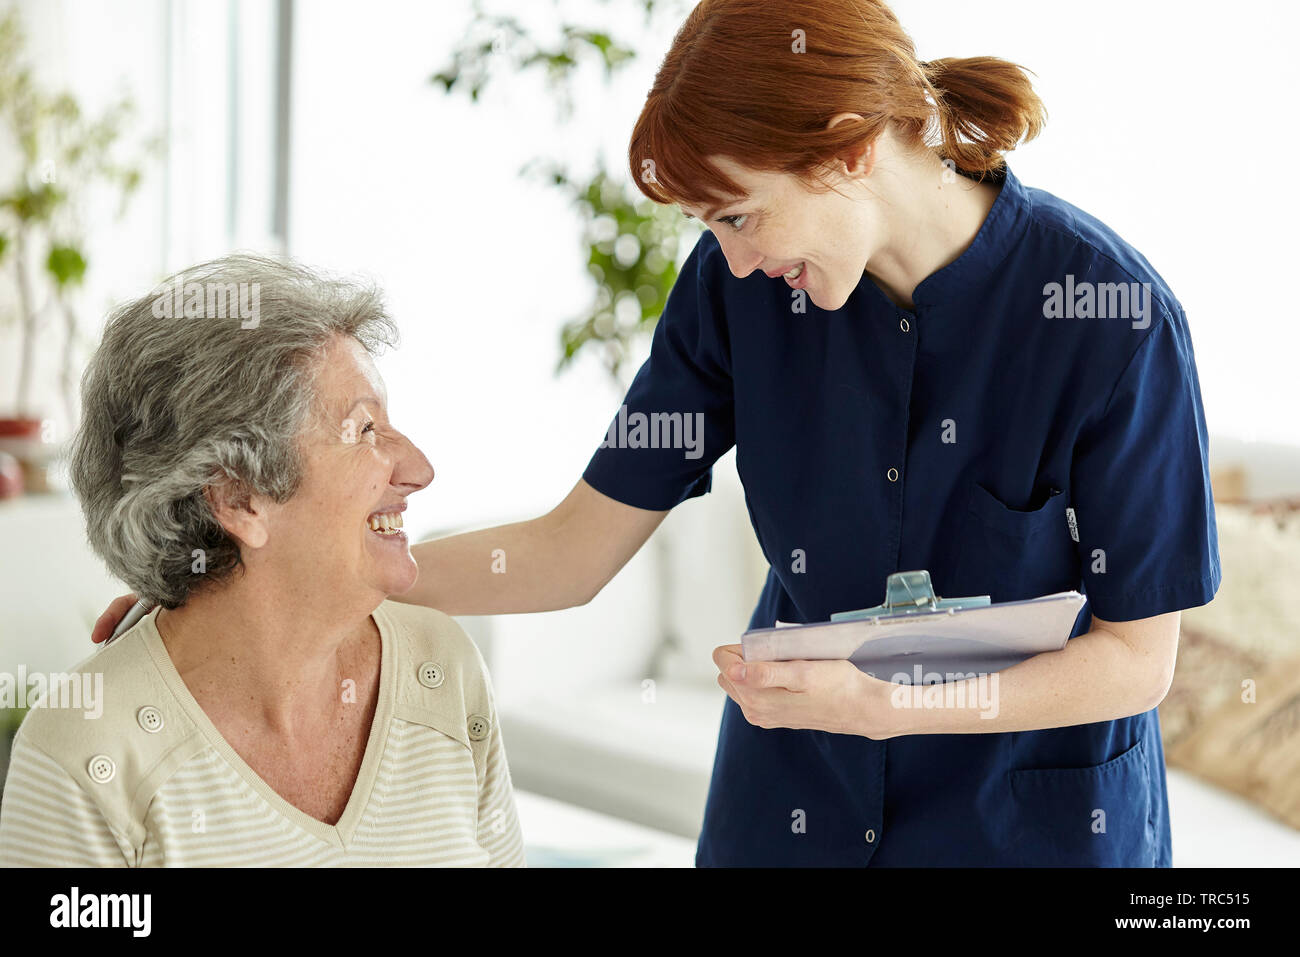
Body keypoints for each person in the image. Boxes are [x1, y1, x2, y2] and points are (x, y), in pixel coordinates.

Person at [93, 0, 1220, 866]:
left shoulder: (1109, 320)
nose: (728, 257)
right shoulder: (741, 293)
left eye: (737, 213)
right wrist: (299, 578)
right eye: (704, 225)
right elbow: (574, 550)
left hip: (1028, 826)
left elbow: (1134, 662)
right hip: (791, 816)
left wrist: (890, 707)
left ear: (849, 151)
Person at [1, 255, 525, 866]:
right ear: (238, 498)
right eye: (362, 430)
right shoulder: (86, 753)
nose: (419, 470)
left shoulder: (444, 671)